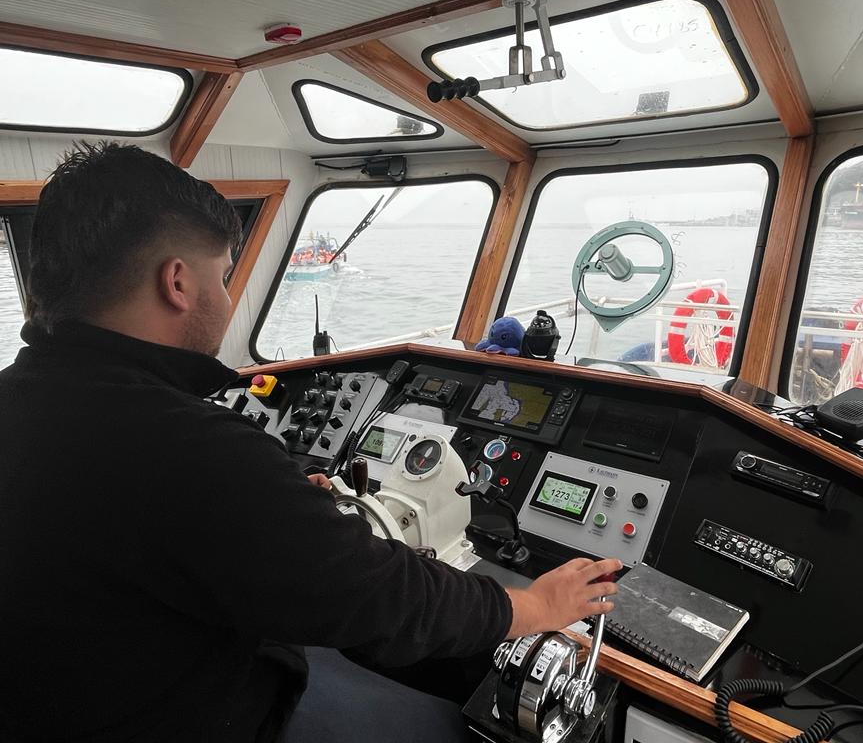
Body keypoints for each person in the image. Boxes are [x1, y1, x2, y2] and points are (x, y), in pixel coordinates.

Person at [0, 143, 621, 742]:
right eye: (224, 276)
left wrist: (279, 512)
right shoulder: (187, 447)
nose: (227, 296)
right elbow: (379, 599)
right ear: (178, 283)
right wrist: (534, 605)